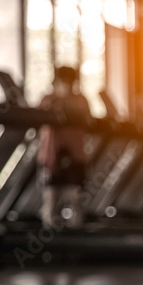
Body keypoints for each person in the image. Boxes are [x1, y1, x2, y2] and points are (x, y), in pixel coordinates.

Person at [37, 66, 92, 230]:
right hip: (50, 157)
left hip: (75, 156)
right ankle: (48, 240)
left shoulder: (80, 100)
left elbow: (87, 118)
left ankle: (77, 239)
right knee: (50, 198)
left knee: (76, 198)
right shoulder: (47, 99)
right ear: (56, 82)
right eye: (63, 82)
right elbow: (36, 117)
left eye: (69, 83)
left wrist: (64, 103)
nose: (66, 86)